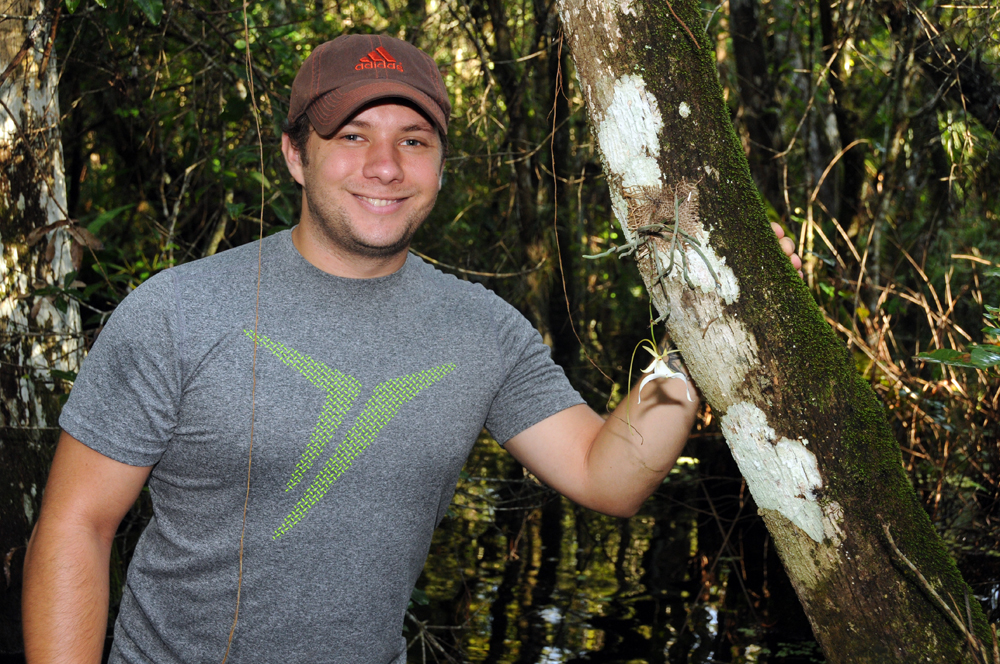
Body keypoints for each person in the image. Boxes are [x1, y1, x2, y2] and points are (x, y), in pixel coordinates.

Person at [22, 34, 802, 664]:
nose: (385, 167)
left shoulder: (482, 330)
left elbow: (610, 474)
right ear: (296, 155)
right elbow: (76, 526)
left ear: (438, 165)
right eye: (352, 136)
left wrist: (702, 328)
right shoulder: (175, 312)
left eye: (414, 140)